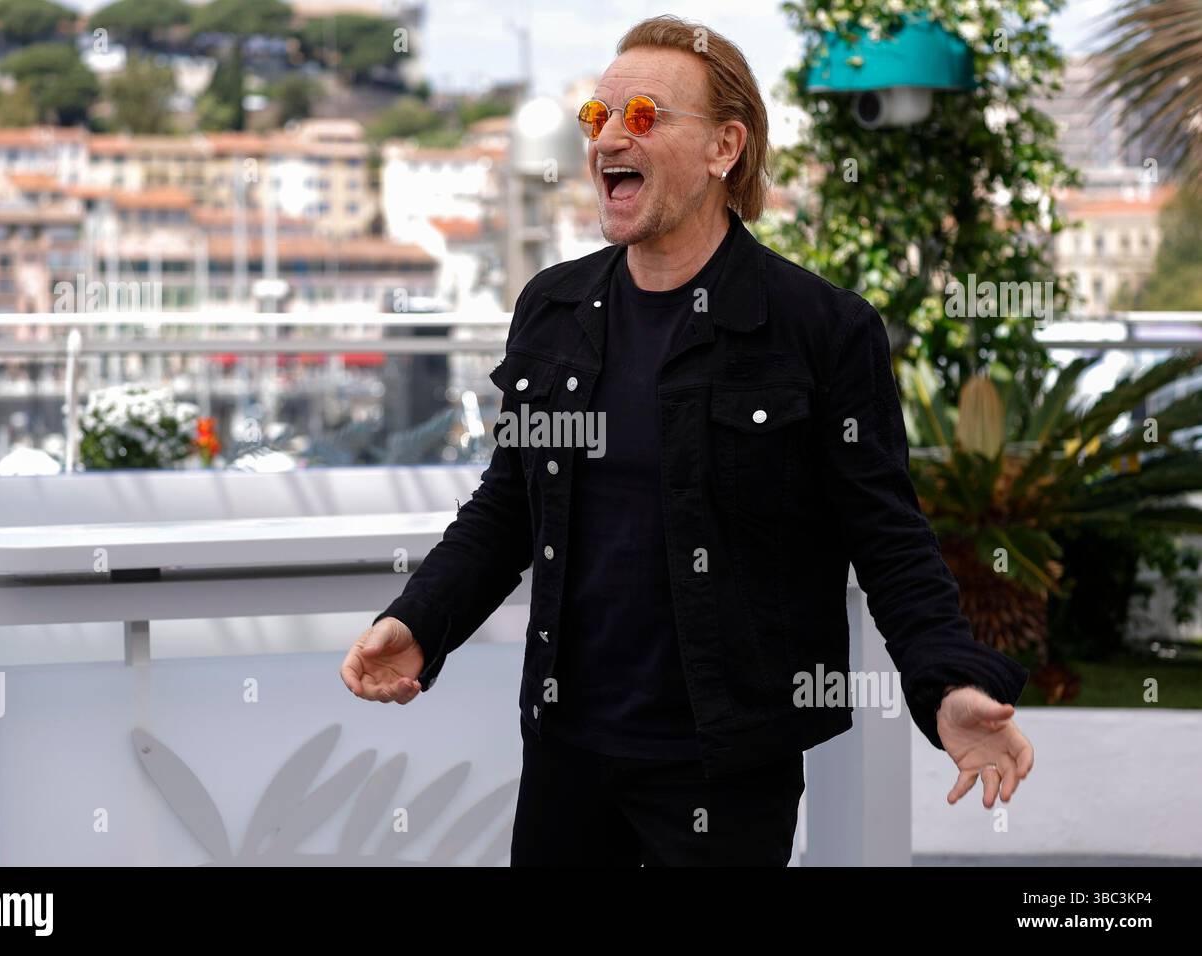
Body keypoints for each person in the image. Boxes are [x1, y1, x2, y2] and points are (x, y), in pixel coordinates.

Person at [341, 14, 1034, 866]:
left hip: (726, 763)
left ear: (724, 148)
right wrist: (419, 621)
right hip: (566, 750)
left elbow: (887, 538)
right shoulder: (552, 310)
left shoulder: (821, 329)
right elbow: (508, 510)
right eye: (598, 119)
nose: (605, 141)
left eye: (642, 117)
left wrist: (950, 685)